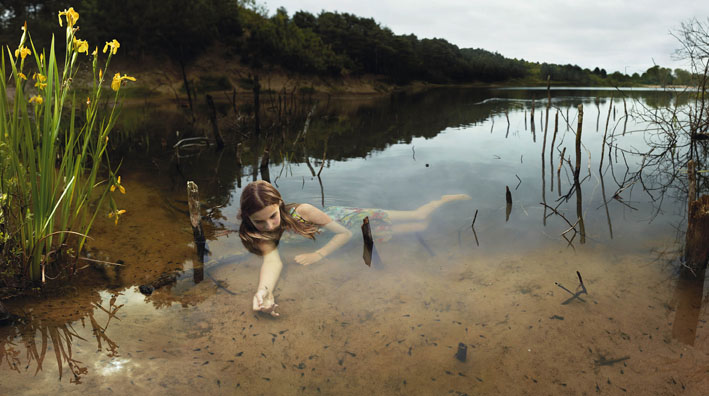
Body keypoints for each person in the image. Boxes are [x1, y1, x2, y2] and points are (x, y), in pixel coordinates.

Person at [238, 180, 471, 317]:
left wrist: (319, 254)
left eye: (272, 217)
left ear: (279, 204)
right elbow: (272, 260)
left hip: (350, 220)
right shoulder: (257, 231)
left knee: (419, 216)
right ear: (249, 217)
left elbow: (345, 233)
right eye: (260, 221)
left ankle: (442, 200)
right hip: (354, 233)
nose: (268, 225)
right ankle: (432, 222)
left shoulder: (303, 210)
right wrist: (264, 291)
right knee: (418, 227)